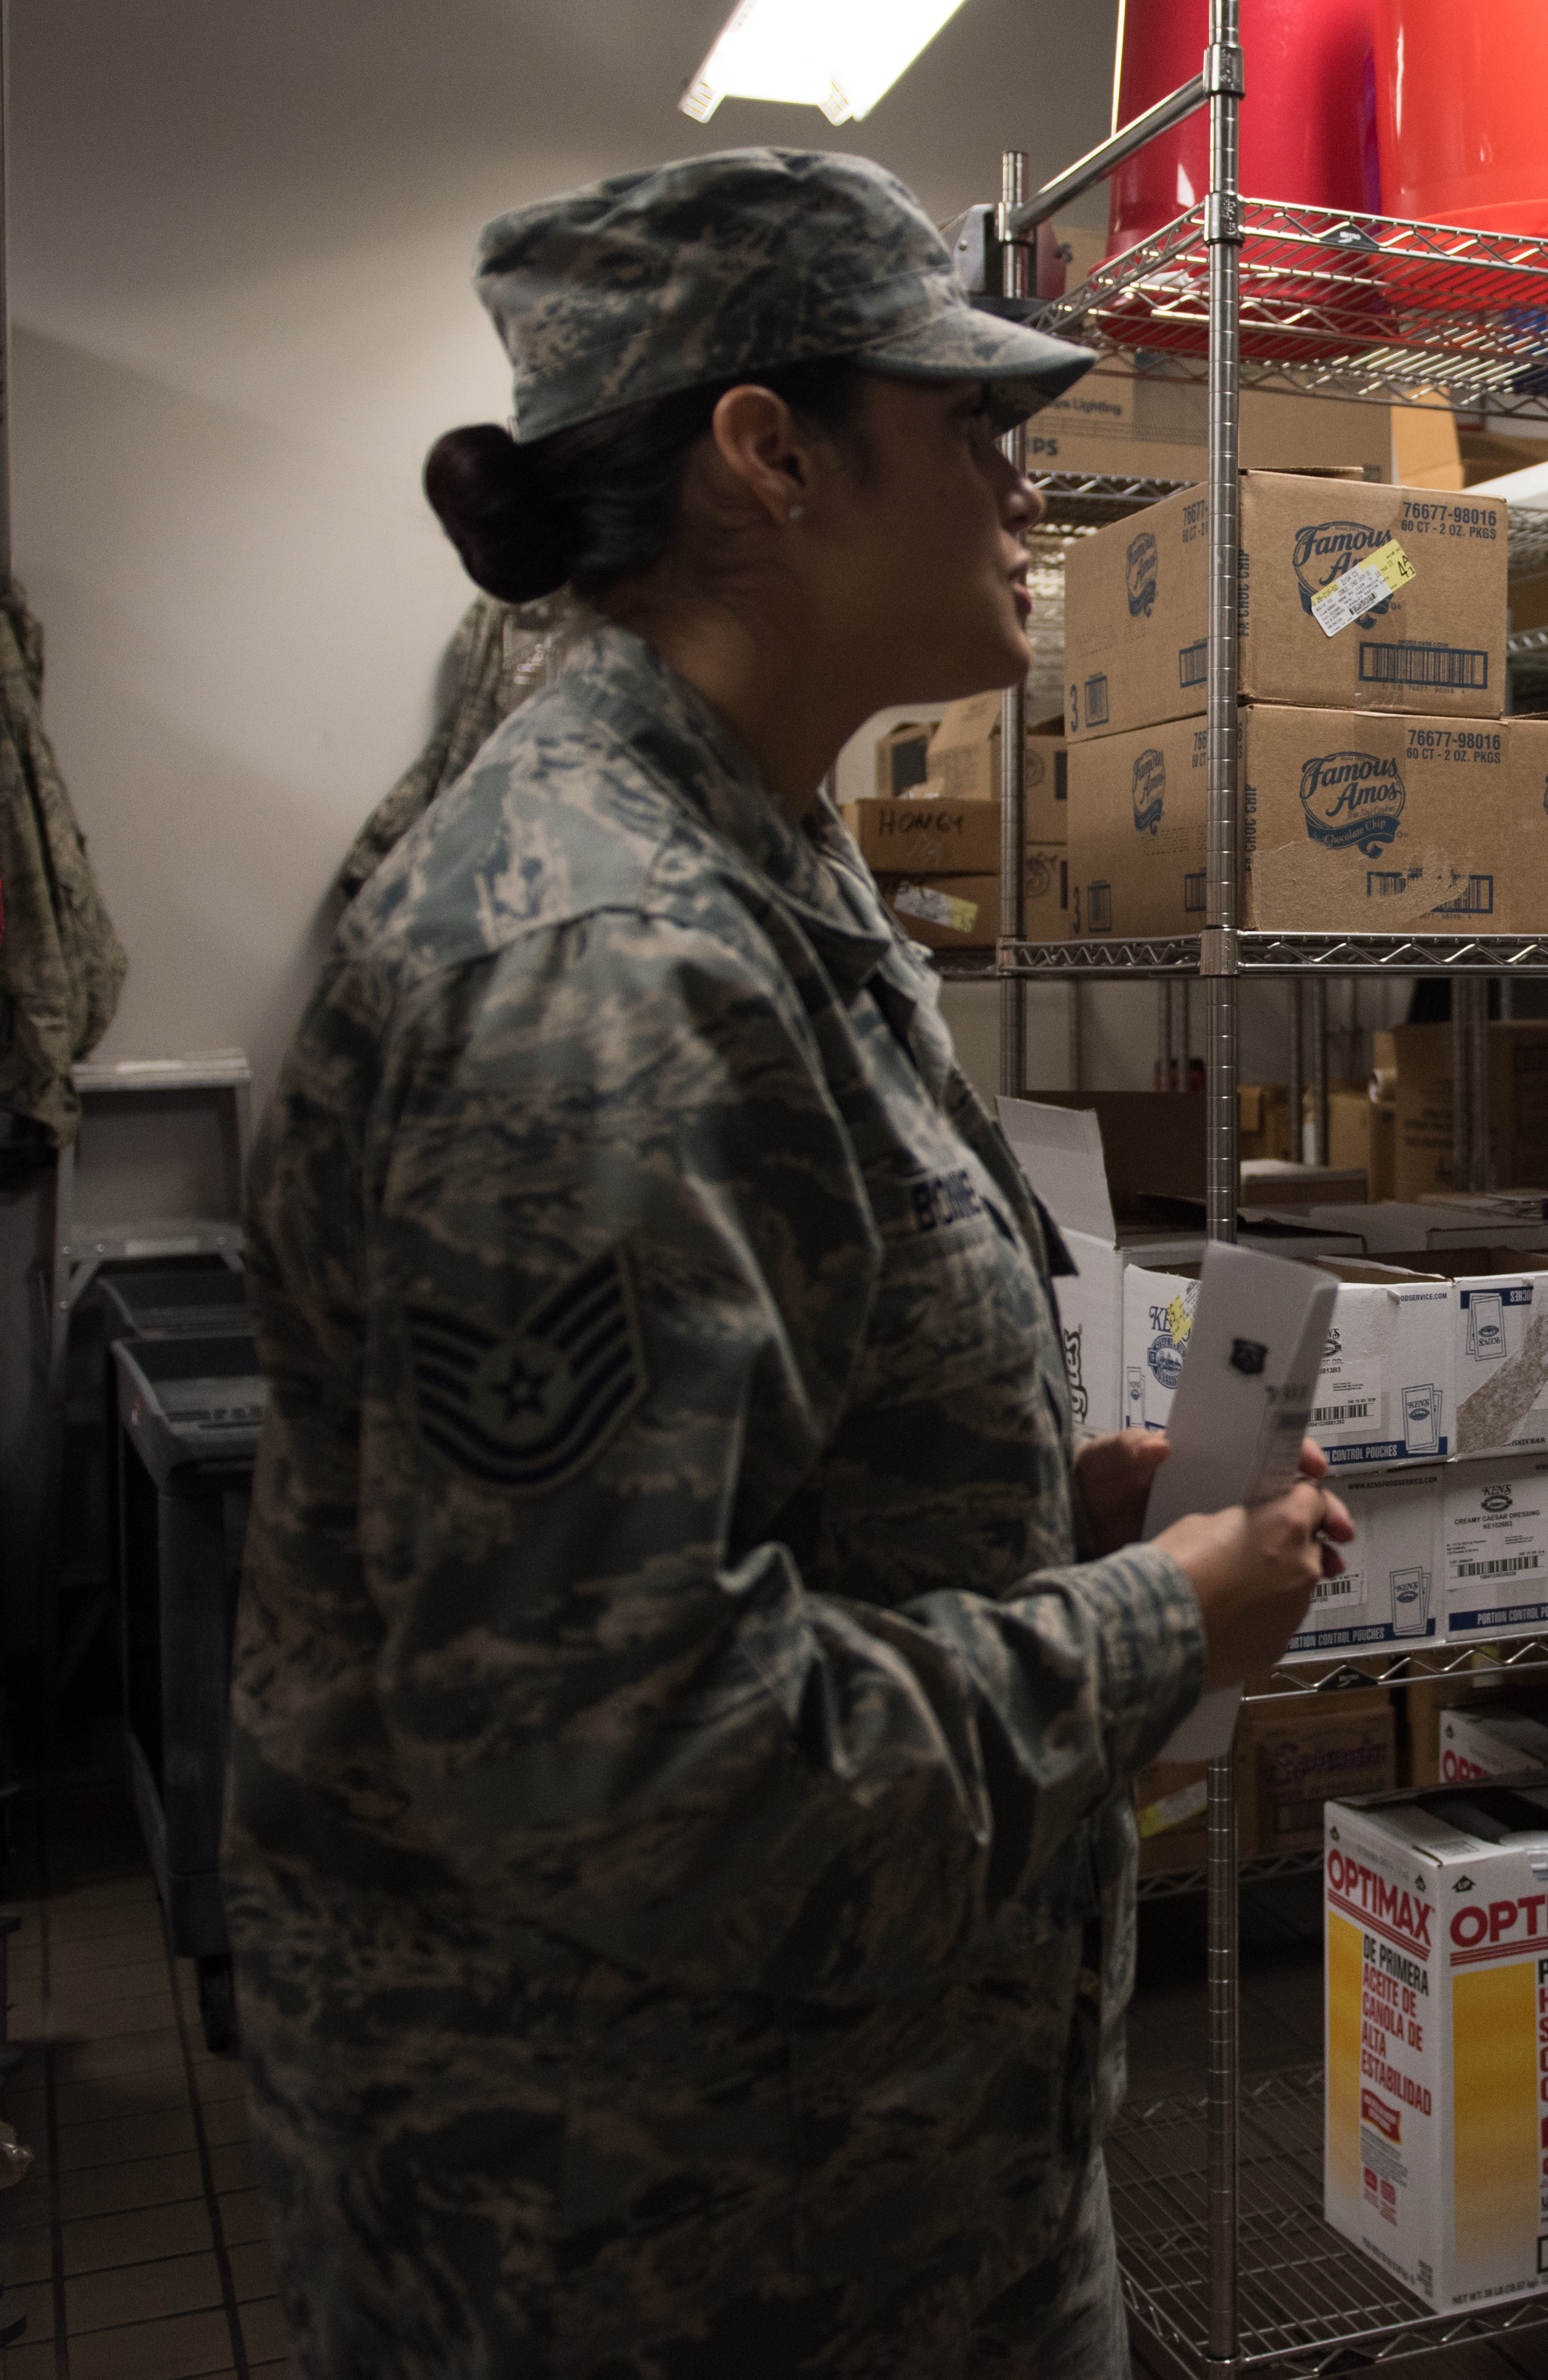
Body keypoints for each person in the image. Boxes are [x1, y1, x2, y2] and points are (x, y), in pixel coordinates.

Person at [232, 150, 1349, 2377]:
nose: (1033, 499)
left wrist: (1052, 1510)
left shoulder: (758, 856)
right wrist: (1148, 1629)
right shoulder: (606, 968)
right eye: (978, 436)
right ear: (769, 456)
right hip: (677, 2238)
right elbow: (626, 1768)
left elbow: (760, 1481)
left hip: (888, 2171)